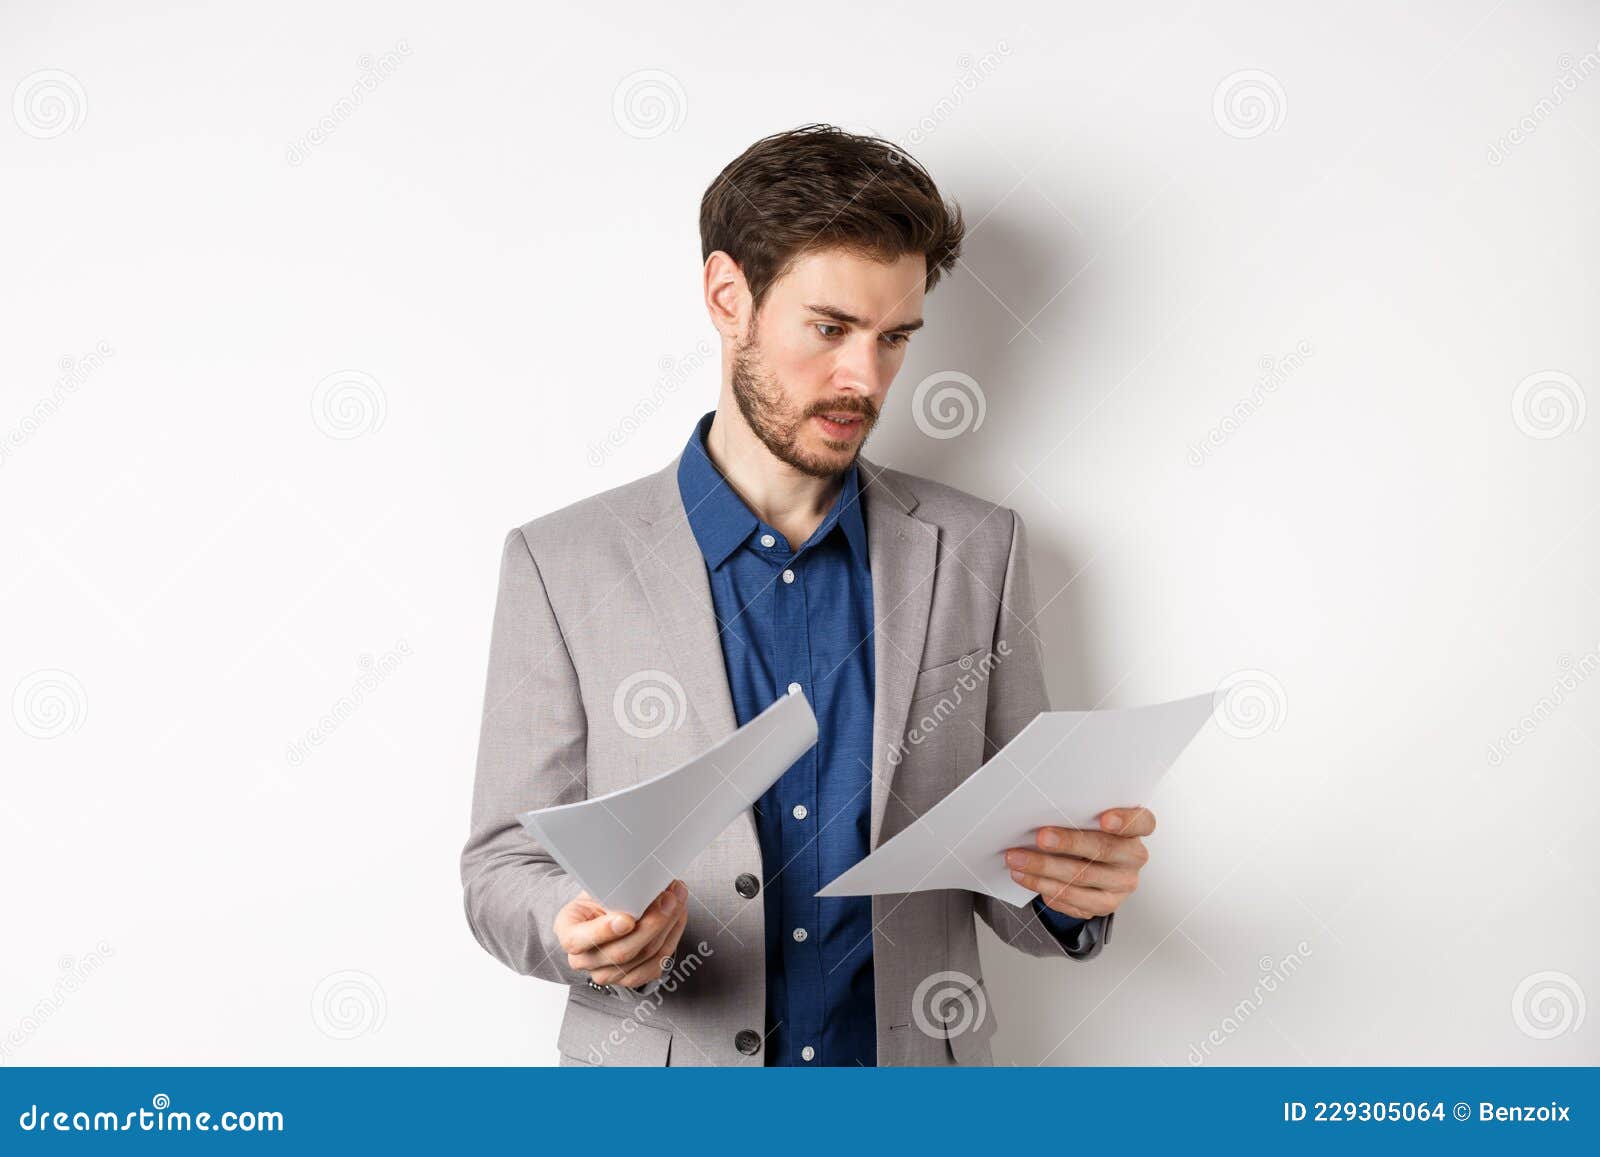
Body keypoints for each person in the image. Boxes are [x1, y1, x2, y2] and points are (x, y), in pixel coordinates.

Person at [459, 124, 1156, 1066]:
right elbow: (501, 865)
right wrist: (573, 927)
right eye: (830, 329)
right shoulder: (561, 563)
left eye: (895, 338)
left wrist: (1066, 891)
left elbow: (1010, 874)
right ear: (727, 297)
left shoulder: (979, 547)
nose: (864, 380)